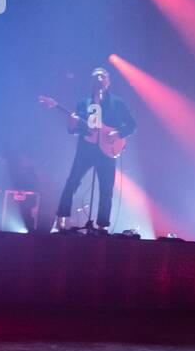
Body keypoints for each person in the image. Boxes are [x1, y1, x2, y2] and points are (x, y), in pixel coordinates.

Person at [54, 67, 136, 233]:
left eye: (103, 77)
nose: (100, 79)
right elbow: (75, 129)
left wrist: (118, 133)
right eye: (96, 77)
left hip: (108, 150)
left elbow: (132, 125)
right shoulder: (84, 103)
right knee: (72, 182)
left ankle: (102, 225)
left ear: (108, 81)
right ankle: (61, 220)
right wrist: (72, 124)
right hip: (86, 149)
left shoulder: (117, 103)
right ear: (92, 82)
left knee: (106, 188)